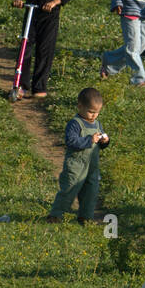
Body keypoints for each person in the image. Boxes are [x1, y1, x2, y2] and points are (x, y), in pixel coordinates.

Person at [12, 0, 74, 98]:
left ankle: (39, 87)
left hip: (49, 18)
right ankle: (21, 85)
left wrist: (54, 3)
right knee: (25, 48)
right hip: (31, 14)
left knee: (44, 51)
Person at [47, 87, 109, 223]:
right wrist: (89, 140)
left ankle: (85, 217)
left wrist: (105, 141)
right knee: (69, 188)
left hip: (92, 165)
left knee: (91, 191)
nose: (94, 115)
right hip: (76, 164)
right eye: (91, 112)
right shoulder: (75, 124)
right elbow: (71, 141)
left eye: (97, 112)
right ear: (80, 106)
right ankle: (56, 215)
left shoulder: (98, 125)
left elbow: (100, 145)